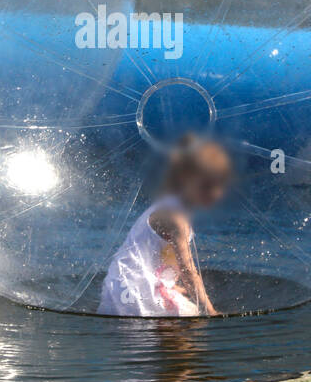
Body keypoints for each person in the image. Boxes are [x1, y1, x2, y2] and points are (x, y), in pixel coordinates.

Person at [98, 135, 232, 317]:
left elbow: (154, 254)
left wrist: (170, 284)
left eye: (219, 184)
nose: (215, 193)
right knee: (189, 325)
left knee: (186, 318)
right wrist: (210, 311)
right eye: (207, 186)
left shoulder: (173, 207)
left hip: (123, 283)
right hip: (132, 291)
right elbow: (189, 272)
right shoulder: (175, 217)